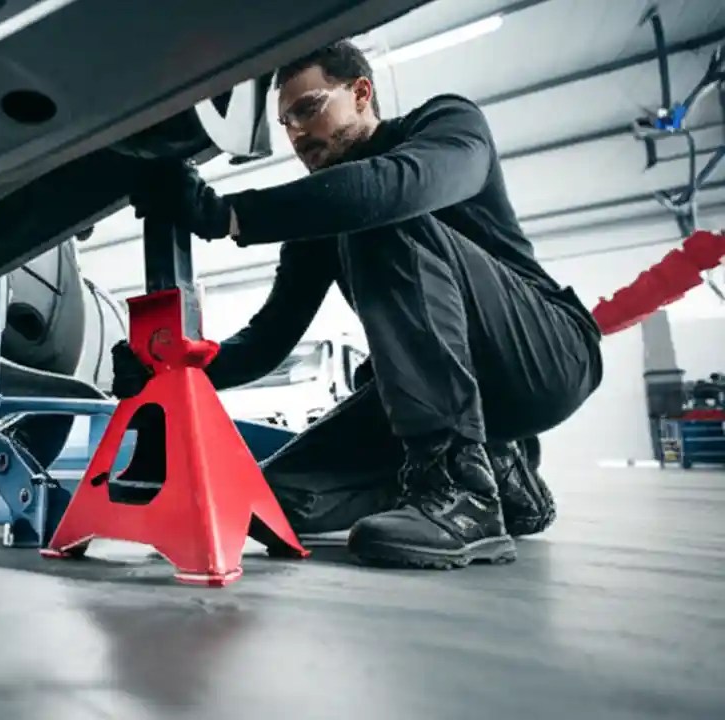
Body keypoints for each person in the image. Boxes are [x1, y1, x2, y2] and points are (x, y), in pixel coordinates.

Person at [114, 40, 604, 569]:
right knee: (273, 500)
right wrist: (175, 367)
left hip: (547, 357)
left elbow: (386, 190)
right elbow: (267, 341)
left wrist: (225, 215)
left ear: (361, 92)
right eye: (286, 123)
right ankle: (504, 477)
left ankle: (460, 491)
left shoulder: (447, 125)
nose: (297, 133)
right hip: (449, 390)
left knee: (378, 207)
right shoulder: (321, 221)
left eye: (308, 109)